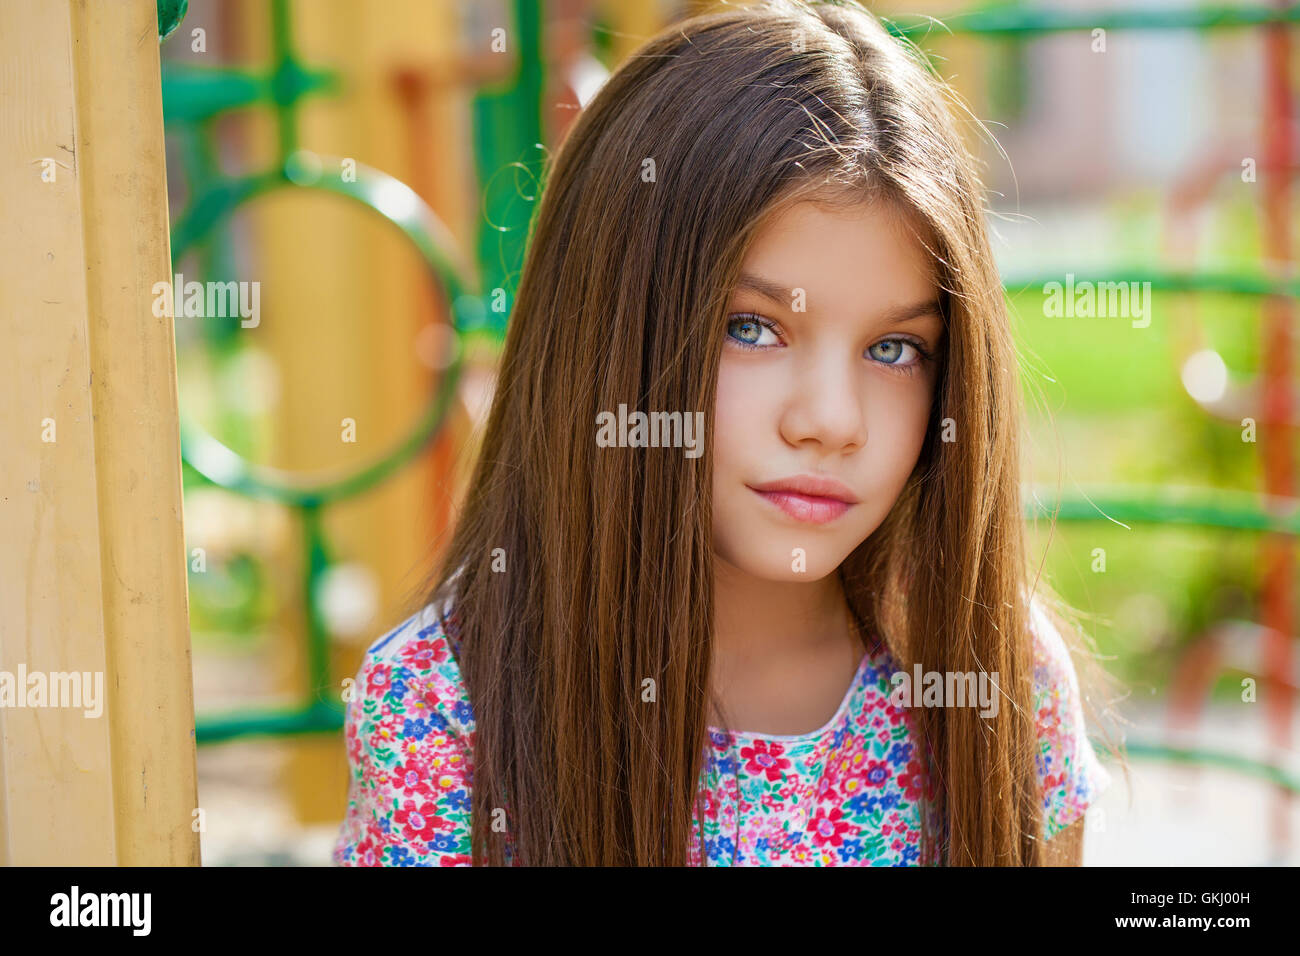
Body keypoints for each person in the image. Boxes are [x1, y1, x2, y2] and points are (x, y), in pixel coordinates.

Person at [333, 0, 1113, 867]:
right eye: (753, 328)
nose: (830, 420)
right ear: (610, 329)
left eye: (895, 348)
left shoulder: (992, 677)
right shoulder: (443, 715)